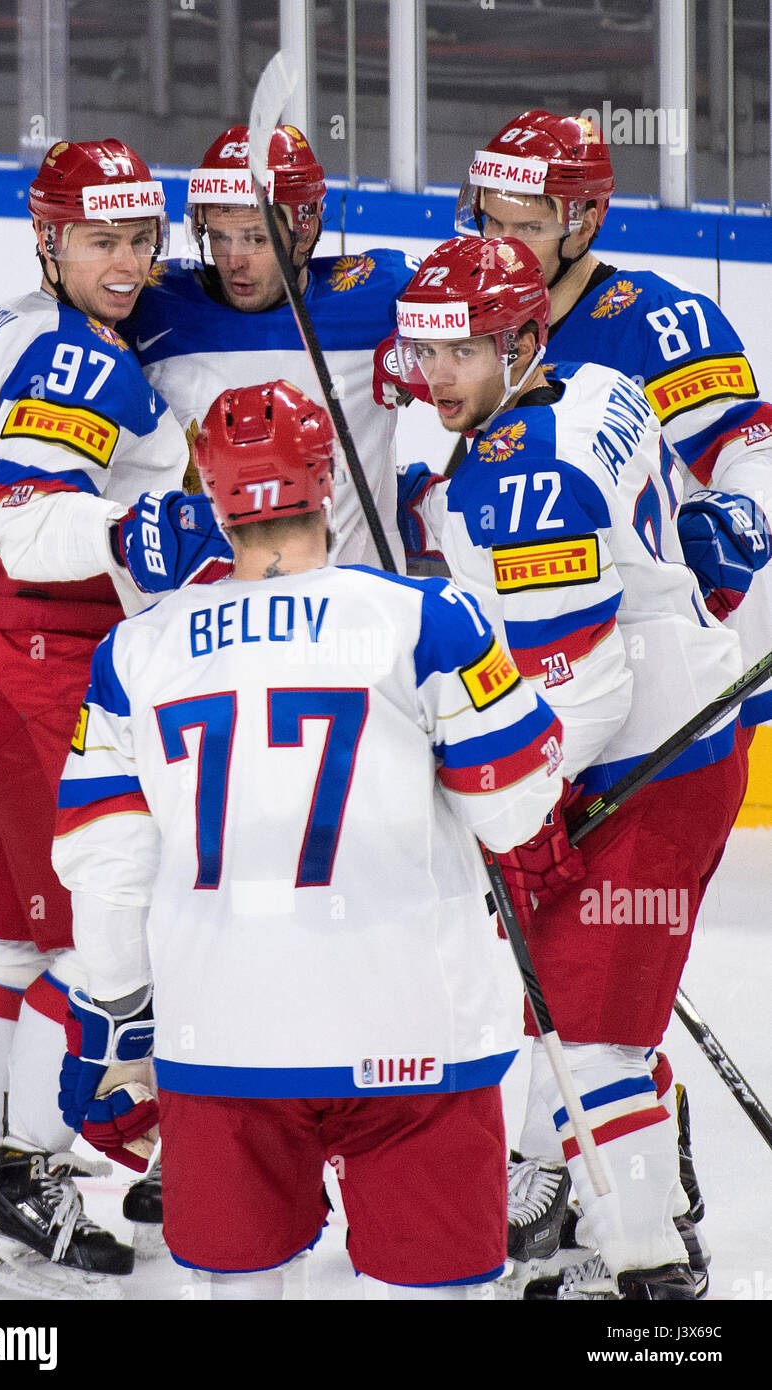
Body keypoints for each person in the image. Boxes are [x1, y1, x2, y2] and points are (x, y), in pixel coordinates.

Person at [50, 378, 570, 1301]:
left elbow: (108, 864)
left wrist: (119, 1024)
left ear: (211, 494)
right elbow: (515, 814)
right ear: (326, 481)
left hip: (221, 1041)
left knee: (238, 1291)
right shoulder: (430, 620)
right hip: (415, 1038)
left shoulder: (135, 652)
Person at [392, 236, 748, 1299]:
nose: (433, 376)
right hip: (680, 742)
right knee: (588, 1017)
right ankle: (608, 1209)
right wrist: (437, 505)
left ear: (520, 340)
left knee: (587, 1040)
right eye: (423, 351)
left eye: (458, 352)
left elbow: (578, 687)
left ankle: (639, 1270)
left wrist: (520, 812)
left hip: (631, 765)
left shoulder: (523, 480)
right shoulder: (589, 384)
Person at [451, 108, 772, 1277]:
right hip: (547, 690)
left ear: (583, 217)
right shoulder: (464, 318)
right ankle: (599, 1153)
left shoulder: (658, 321)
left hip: (646, 694)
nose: (499, 234)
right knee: (564, 962)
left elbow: (751, 444)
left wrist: (739, 514)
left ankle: (618, 1181)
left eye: (523, 220)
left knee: (594, 976)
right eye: (483, 214)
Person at [0, 138, 230, 1297]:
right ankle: (26, 1166)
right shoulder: (73, 356)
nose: (131, 261)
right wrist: (141, 533)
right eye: (103, 239)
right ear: (48, 238)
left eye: (144, 238)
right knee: (110, 911)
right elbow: (29, 525)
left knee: (3, 937)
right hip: (28, 650)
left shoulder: (6, 323)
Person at [122, 123, 418, 570]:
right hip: (211, 611)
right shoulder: (152, 304)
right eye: (220, 237)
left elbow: (509, 343)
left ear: (307, 228)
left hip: (353, 611)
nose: (235, 260)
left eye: (256, 239)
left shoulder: (381, 296)